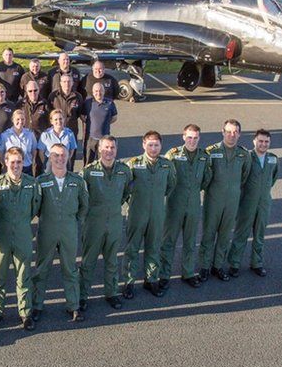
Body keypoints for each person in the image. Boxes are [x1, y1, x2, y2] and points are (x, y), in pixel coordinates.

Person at [33, 143, 89, 322]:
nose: (60, 158)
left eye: (63, 155)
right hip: (47, 229)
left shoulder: (77, 181)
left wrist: (72, 221)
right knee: (42, 269)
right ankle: (36, 305)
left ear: (68, 157)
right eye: (56, 155)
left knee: (70, 268)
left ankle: (73, 306)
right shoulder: (41, 181)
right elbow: (36, 207)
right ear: (50, 157)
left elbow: (84, 206)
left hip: (69, 229)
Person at [0, 147, 40, 331]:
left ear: (23, 162)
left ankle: (25, 313)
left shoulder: (32, 184)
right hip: (0, 237)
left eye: (19, 162)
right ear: (5, 162)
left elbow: (35, 208)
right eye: (12, 162)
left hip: (23, 235)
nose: (16, 165)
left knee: (24, 275)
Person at [123, 131, 177, 298]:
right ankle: (129, 282)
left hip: (157, 213)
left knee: (153, 247)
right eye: (150, 145)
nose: (153, 148)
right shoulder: (133, 164)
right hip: (137, 213)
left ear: (161, 146)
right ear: (143, 145)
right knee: (132, 248)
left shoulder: (167, 165)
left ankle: (151, 279)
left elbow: (171, 186)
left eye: (156, 145)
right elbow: (125, 188)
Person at [80, 136, 131, 310]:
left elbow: (126, 193)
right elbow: (82, 197)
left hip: (115, 221)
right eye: (106, 148)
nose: (109, 151)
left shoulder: (124, 170)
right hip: (94, 222)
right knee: (88, 261)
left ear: (116, 150)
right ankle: (82, 295)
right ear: (100, 149)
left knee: (112, 261)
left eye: (112, 148)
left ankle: (111, 293)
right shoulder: (88, 171)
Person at [198, 119, 252, 282]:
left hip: (232, 201)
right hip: (213, 200)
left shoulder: (244, 154)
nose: (232, 135)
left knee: (224, 235)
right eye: (228, 131)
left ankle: (218, 266)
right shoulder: (211, 151)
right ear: (222, 132)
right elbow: (205, 177)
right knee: (208, 234)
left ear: (239, 134)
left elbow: (245, 176)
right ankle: (205, 267)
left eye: (235, 132)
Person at [160, 124, 212, 288]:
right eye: (189, 137)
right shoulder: (173, 155)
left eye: (195, 138)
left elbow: (206, 179)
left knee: (190, 241)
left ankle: (188, 272)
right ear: (183, 137)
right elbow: (165, 177)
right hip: (175, 204)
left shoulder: (204, 156)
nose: (192, 141)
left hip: (194, 204)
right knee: (169, 241)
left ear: (199, 138)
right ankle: (164, 275)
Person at [226, 129, 278, 278]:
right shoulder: (246, 157)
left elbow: (272, 179)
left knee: (259, 235)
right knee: (240, 234)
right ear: (254, 141)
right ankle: (234, 264)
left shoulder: (273, 159)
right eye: (260, 141)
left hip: (264, 203)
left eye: (266, 141)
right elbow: (240, 179)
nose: (263, 144)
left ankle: (257, 263)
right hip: (247, 203)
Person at [81, 82, 118, 164]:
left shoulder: (110, 103)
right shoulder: (88, 103)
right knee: (88, 162)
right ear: (93, 92)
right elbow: (82, 116)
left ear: (104, 91)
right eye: (96, 91)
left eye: (100, 90)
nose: (98, 93)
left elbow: (114, 118)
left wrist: (105, 122)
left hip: (104, 139)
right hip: (90, 138)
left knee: (103, 162)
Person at [0, 110, 38, 176]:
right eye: (18, 119)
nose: (20, 121)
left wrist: (30, 161)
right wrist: (6, 164)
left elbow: (33, 151)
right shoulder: (5, 135)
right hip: (11, 168)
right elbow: (0, 153)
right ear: (12, 120)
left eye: (22, 119)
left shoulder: (30, 134)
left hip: (26, 168)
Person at [49, 73, 83, 139]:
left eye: (69, 81)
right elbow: (50, 112)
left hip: (72, 129)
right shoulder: (53, 96)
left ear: (72, 83)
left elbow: (79, 112)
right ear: (60, 83)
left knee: (72, 148)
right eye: (64, 82)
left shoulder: (78, 96)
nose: (67, 84)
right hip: (56, 130)